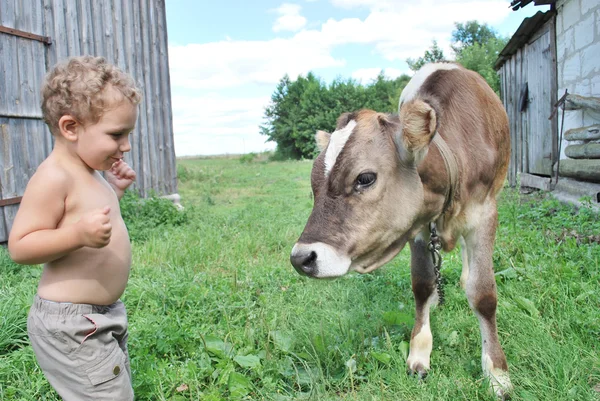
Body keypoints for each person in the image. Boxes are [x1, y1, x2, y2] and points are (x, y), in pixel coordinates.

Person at [8, 55, 141, 401]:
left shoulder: (90, 173)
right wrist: (77, 235)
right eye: (117, 134)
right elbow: (20, 246)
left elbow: (94, 220)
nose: (125, 145)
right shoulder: (54, 175)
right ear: (71, 128)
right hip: (70, 324)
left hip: (100, 317)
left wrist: (116, 191)